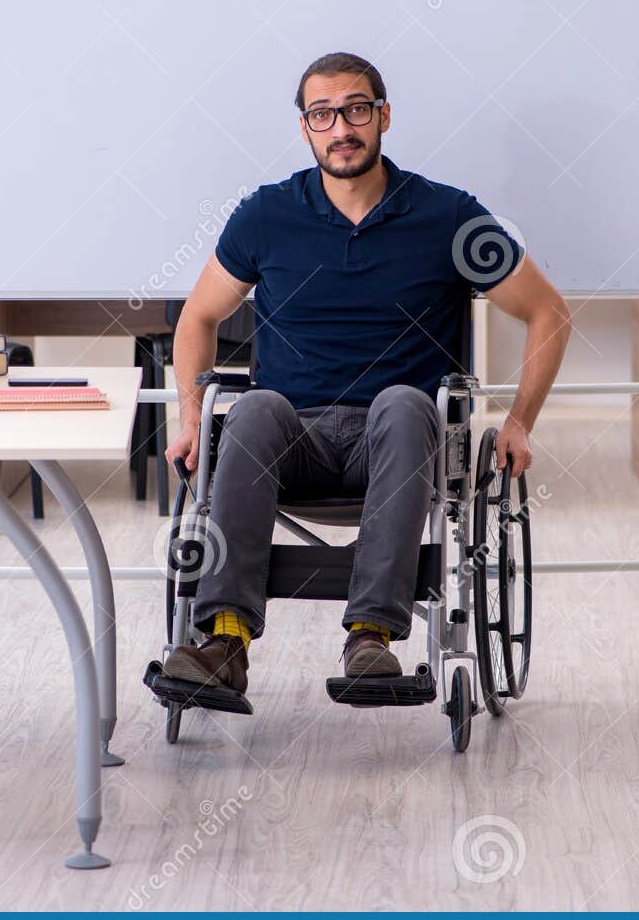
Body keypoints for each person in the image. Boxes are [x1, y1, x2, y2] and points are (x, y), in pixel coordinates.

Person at [160, 51, 570, 697]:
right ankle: (224, 644)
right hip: (297, 437)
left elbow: (548, 311)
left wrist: (519, 423)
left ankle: (371, 639)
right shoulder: (266, 215)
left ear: (383, 117)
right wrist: (188, 419)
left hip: (400, 441)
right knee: (255, 408)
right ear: (305, 128)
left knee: (407, 402)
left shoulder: (448, 215)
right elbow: (198, 318)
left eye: (355, 109)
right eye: (323, 114)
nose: (341, 128)